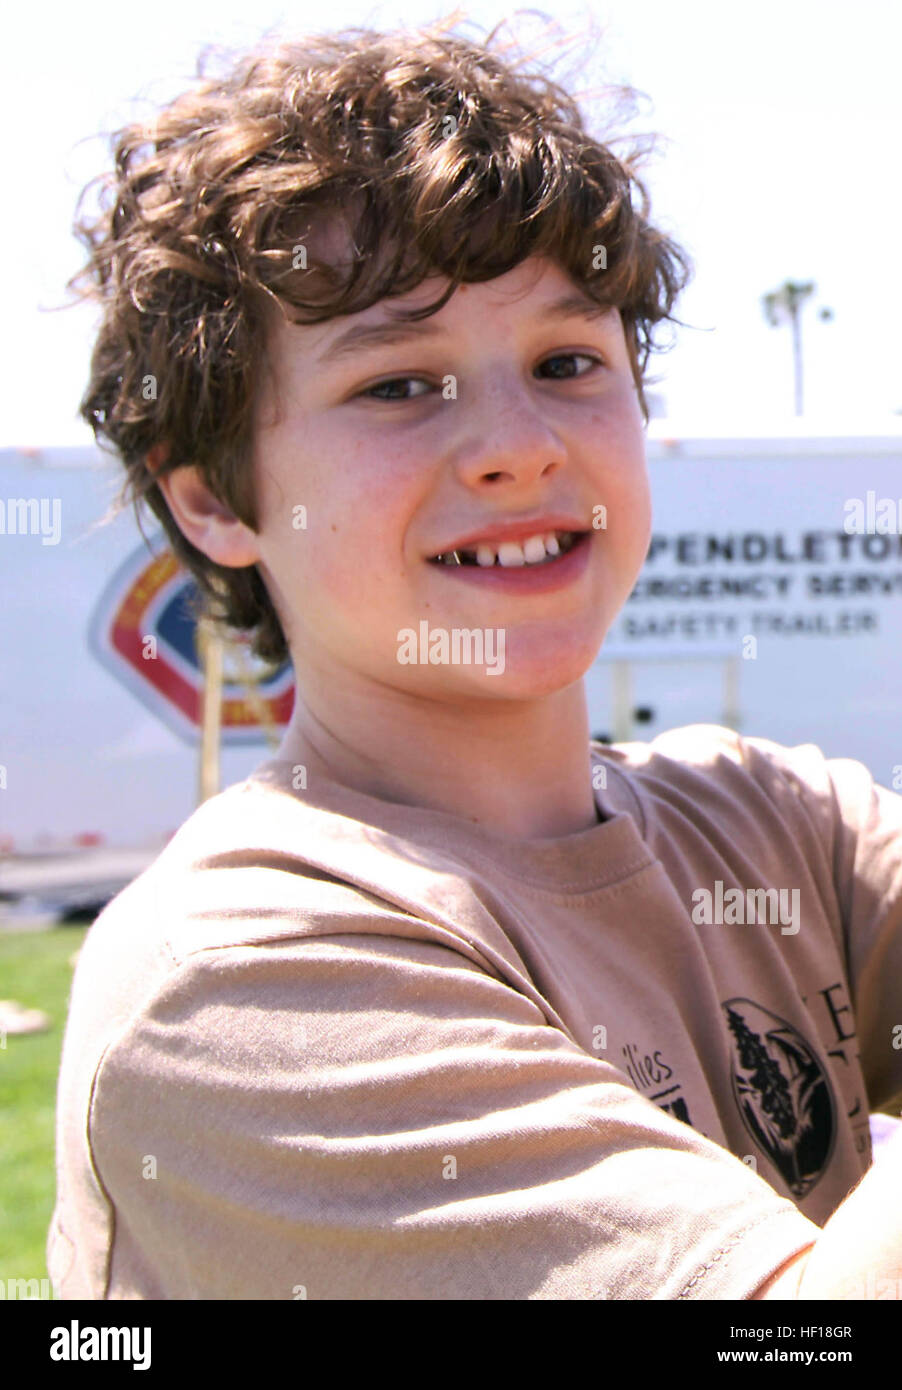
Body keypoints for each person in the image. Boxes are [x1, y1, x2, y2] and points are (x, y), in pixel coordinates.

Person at [48, 15, 902, 1300]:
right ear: (215, 505)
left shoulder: (778, 824)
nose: (519, 446)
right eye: (398, 384)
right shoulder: (242, 976)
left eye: (568, 361)